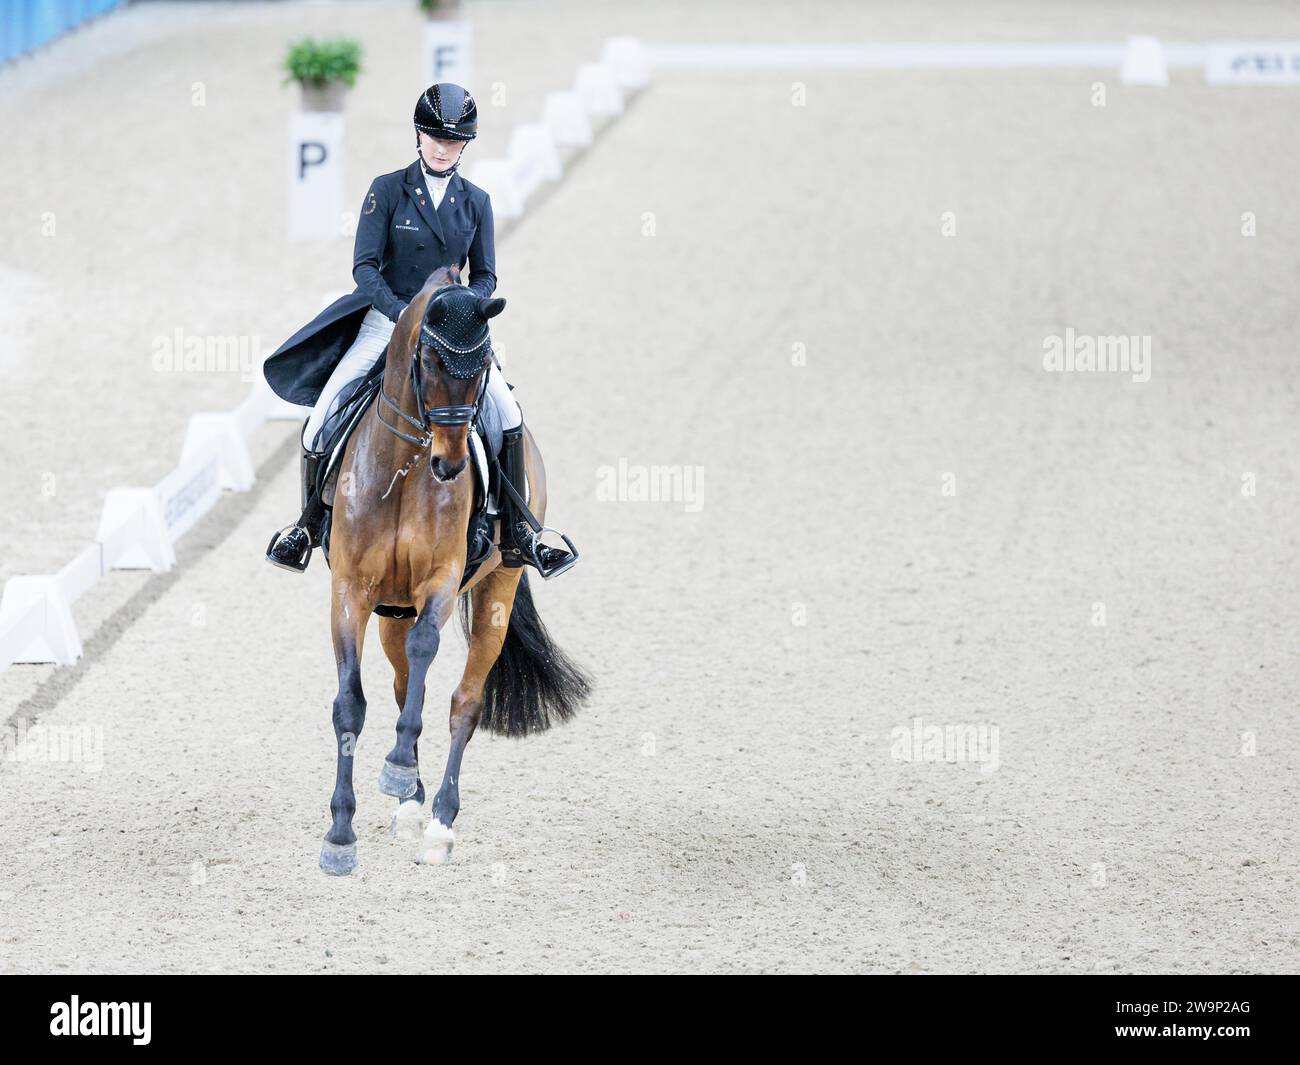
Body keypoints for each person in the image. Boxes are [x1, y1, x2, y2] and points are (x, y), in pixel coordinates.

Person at [262, 82, 576, 578]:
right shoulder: (387, 190)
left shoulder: (477, 201)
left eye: (454, 142)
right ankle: (308, 523)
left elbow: (486, 274)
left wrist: (462, 310)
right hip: (385, 323)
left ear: (465, 145)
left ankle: (521, 532)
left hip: (451, 332)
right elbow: (364, 267)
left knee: (508, 414)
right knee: (324, 414)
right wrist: (401, 312)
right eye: (436, 139)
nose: (444, 148)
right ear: (419, 135)